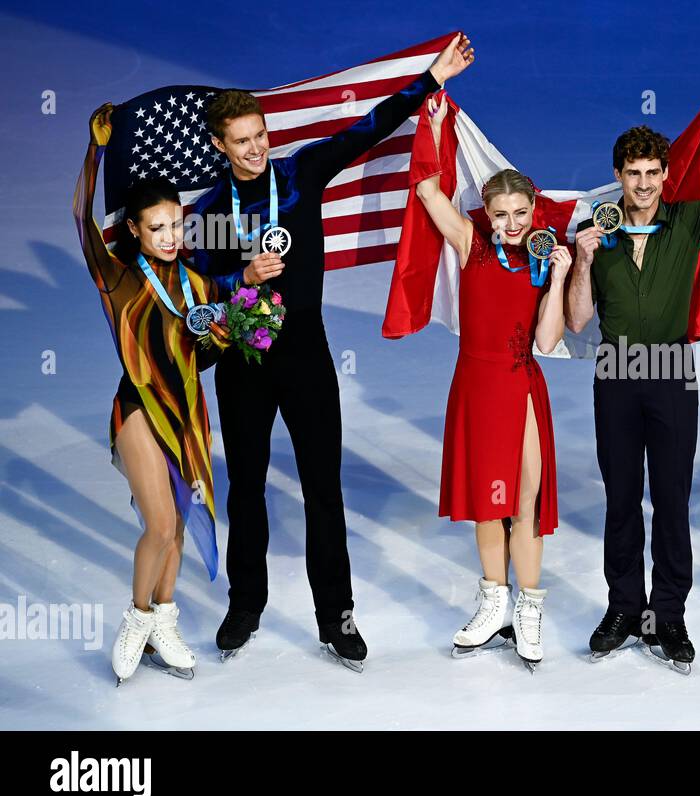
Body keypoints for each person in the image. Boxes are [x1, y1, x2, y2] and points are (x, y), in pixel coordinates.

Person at [189, 34, 476, 672]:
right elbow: (199, 293)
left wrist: (434, 77)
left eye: (259, 133)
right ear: (220, 147)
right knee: (246, 491)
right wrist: (243, 280)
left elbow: (369, 128)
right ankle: (245, 604)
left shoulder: (301, 172)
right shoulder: (208, 213)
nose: (257, 146)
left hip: (307, 359)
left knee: (324, 488)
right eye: (241, 140)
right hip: (243, 362)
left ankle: (335, 613)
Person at [565, 85, 700, 673]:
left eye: (653, 173)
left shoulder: (689, 220)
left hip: (670, 371)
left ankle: (668, 616)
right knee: (620, 499)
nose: (643, 184)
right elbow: (578, 320)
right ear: (617, 175)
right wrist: (582, 260)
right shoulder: (595, 233)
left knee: (672, 499)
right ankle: (622, 609)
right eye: (633, 173)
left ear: (665, 175)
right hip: (615, 371)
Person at [410, 92, 571, 670]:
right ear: (486, 212)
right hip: (476, 387)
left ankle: (528, 607)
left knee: (523, 497)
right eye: (499, 214)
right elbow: (428, 190)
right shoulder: (472, 245)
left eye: (520, 214)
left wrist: (558, 281)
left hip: (521, 382)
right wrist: (432, 125)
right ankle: (492, 601)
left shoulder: (542, 260)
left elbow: (549, 343)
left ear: (534, 212)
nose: (509, 224)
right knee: (488, 502)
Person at [75, 104, 231, 684]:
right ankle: (136, 619)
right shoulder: (116, 274)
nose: (169, 236)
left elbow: (203, 359)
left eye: (176, 224)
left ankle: (165, 618)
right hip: (138, 407)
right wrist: (94, 152)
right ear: (135, 230)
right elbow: (77, 215)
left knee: (182, 523)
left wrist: (224, 332)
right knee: (161, 524)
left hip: (187, 413)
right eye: (157, 227)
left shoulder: (196, 284)